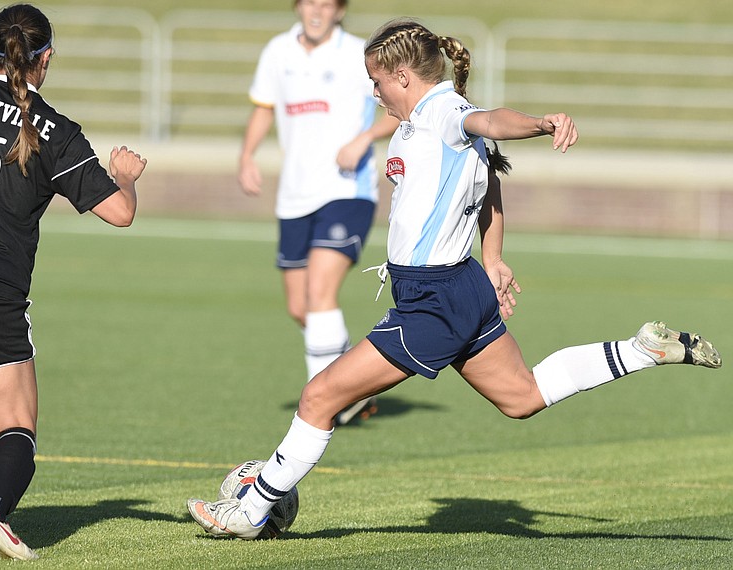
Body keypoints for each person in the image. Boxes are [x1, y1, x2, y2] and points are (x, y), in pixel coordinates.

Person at [187, 18, 721, 539]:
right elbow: (490, 187)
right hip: (462, 285)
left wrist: (540, 122)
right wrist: (493, 260)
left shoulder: (444, 111)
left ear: (402, 76)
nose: (375, 94)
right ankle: (640, 350)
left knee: (319, 397)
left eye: (377, 82)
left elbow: (490, 122)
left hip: (433, 299)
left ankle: (252, 509)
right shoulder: (426, 120)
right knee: (523, 396)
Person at [0, 3, 147, 560]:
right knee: (15, 425)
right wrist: (124, 176)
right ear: (45, 58)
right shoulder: (60, 133)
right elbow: (120, 213)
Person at [237, 0, 398, 424]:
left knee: (320, 294)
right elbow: (263, 108)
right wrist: (248, 154)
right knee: (299, 306)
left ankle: (323, 404)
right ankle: (355, 383)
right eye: (310, 1)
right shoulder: (277, 51)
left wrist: (364, 139)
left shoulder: (358, 55)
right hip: (294, 196)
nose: (316, 10)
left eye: (326, 4)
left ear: (340, 11)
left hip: (347, 191)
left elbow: (400, 109)